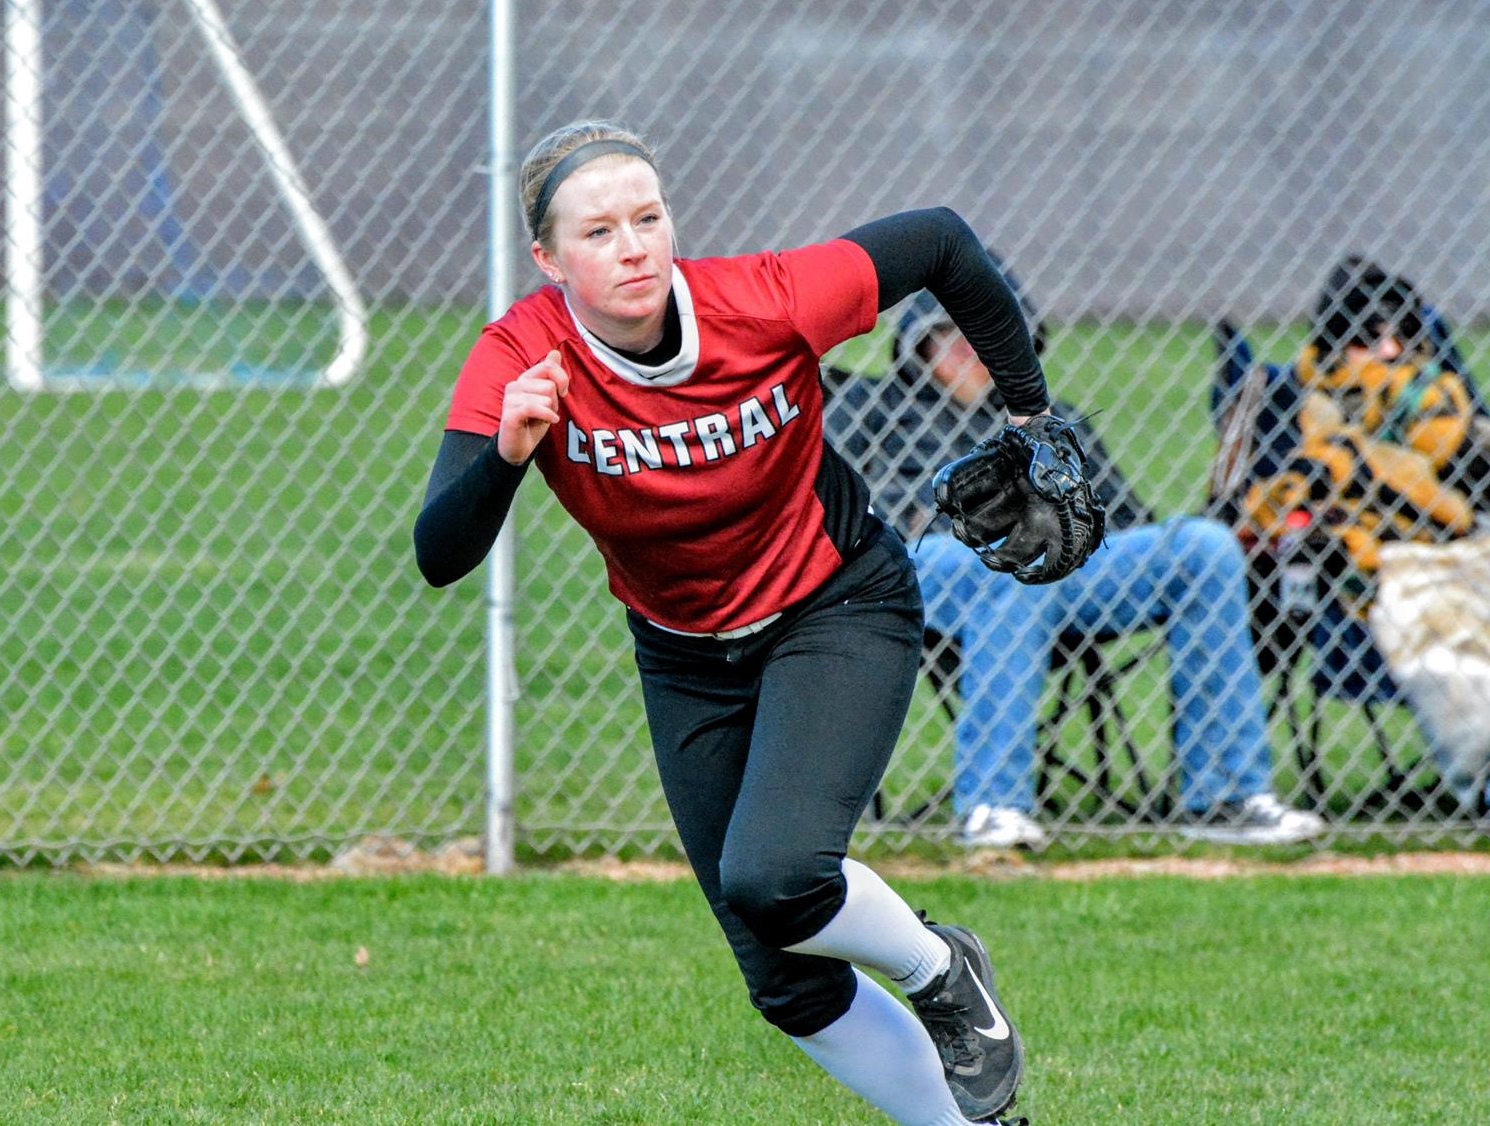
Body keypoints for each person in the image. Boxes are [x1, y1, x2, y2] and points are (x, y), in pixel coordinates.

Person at [415, 120, 1042, 1126]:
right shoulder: (521, 354)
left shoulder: (761, 299)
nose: (632, 246)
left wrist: (1028, 415)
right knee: (782, 977)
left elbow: (939, 241)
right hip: (683, 655)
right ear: (546, 257)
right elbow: (438, 554)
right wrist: (505, 453)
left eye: (647, 218)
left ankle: (940, 970)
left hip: (833, 604)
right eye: (597, 231)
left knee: (775, 872)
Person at [829, 265, 1324, 850]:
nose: (968, 350)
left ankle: (1226, 795)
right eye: (948, 334)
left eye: (983, 335)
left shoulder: (1043, 418)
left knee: (1202, 548)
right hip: (929, 571)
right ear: (917, 343)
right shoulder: (876, 408)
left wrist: (1071, 526)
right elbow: (851, 519)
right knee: (1011, 559)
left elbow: (1124, 520)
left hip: (1064, 576)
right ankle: (995, 807)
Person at [1213, 256, 1490, 812]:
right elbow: (1251, 504)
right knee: (1427, 605)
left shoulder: (1438, 404)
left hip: (1456, 549)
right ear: (1335, 341)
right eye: (1369, 337)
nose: (1390, 352)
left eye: (1405, 336)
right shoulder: (1286, 399)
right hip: (1343, 575)